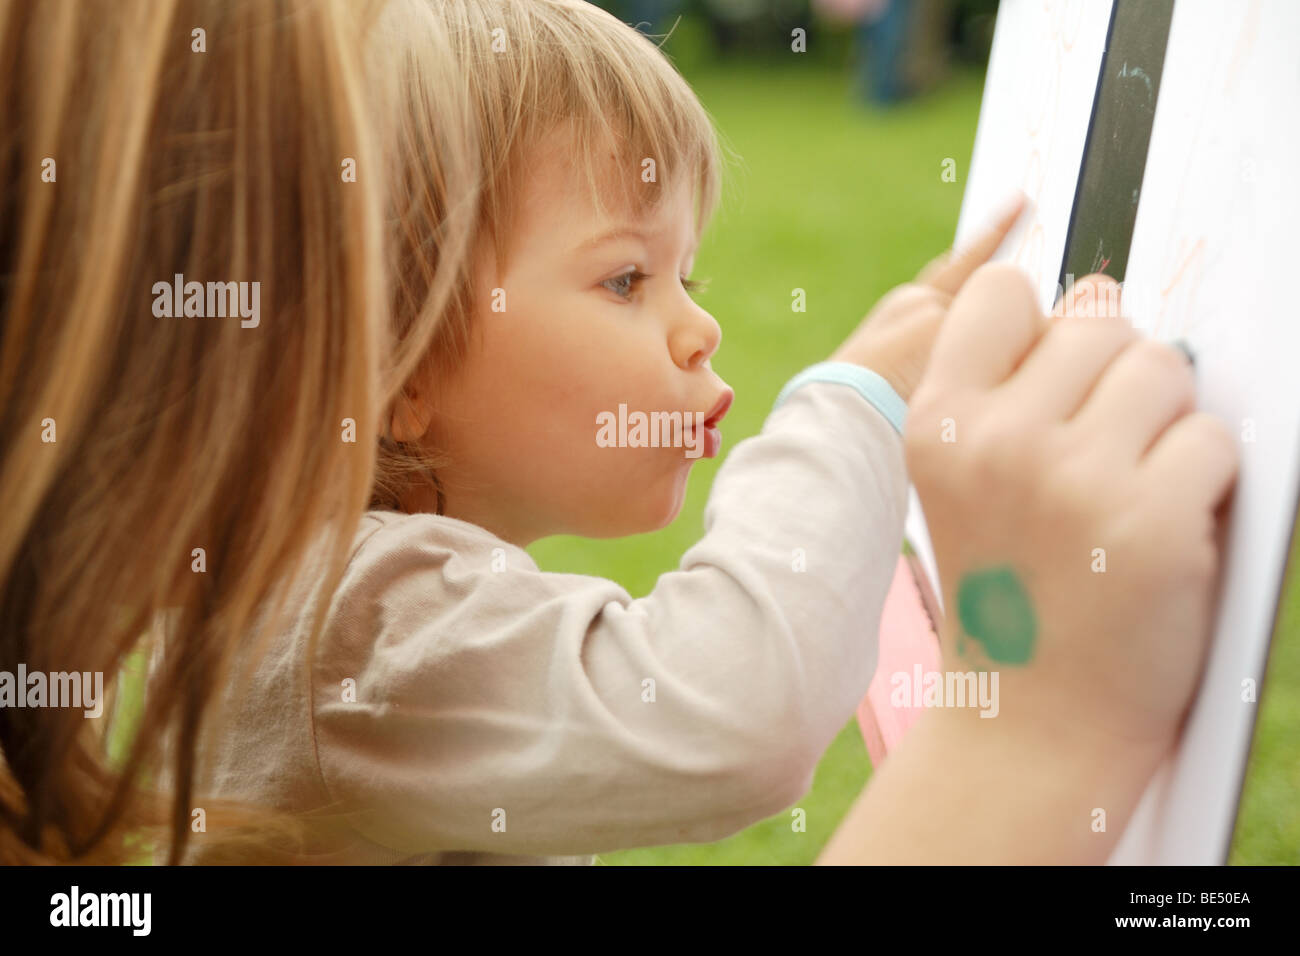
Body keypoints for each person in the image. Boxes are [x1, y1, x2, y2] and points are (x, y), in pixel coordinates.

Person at [191, 0, 1236, 865]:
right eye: (626, 278)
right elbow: (738, 707)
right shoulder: (350, 627)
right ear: (397, 363)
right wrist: (852, 405)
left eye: (687, 276)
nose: (700, 328)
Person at [0, 0, 478, 865]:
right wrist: (817, 405)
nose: (384, 367)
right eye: (367, 287)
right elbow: (732, 728)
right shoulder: (368, 609)